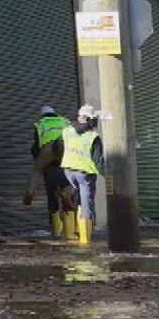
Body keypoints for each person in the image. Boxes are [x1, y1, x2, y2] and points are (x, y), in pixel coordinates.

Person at [60, 104, 103, 243]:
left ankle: (75, 231)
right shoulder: (93, 137)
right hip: (84, 174)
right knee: (86, 205)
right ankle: (84, 241)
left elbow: (58, 147)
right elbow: (98, 161)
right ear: (91, 120)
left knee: (78, 201)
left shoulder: (67, 131)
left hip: (68, 172)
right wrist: (109, 176)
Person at [29, 105, 70, 236]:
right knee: (67, 189)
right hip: (65, 155)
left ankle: (57, 230)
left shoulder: (40, 123)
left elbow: (35, 145)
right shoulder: (64, 121)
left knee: (50, 191)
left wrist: (38, 160)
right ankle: (70, 231)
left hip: (48, 155)